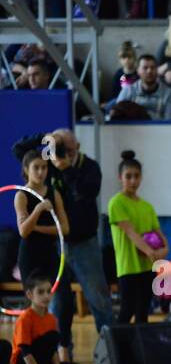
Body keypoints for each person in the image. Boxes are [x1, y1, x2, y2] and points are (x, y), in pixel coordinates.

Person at [11, 129, 115, 351]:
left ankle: (112, 350)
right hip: (53, 246)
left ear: (77, 146)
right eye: (59, 148)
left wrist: (67, 170)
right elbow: (18, 150)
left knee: (98, 299)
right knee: (59, 303)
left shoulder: (89, 167)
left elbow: (88, 192)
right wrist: (44, 138)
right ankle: (62, 352)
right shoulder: (47, 165)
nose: (62, 152)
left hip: (84, 243)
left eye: (67, 148)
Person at [107, 150, 168, 325]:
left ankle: (141, 350)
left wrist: (165, 249)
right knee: (127, 310)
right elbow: (130, 232)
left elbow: (158, 233)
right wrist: (150, 251)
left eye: (136, 176)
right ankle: (118, 350)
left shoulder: (147, 206)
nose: (133, 181)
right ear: (120, 178)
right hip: (128, 266)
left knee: (143, 311)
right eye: (128, 176)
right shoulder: (116, 203)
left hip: (147, 266)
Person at [9, 277, 91, 364]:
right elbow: (26, 354)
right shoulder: (25, 319)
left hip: (44, 363)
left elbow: (53, 350)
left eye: (49, 291)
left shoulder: (51, 319)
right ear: (30, 294)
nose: (46, 296)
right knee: (52, 336)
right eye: (41, 292)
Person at [14, 151, 69, 308]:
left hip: (50, 253)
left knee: (64, 298)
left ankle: (61, 333)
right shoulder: (21, 195)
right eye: (36, 167)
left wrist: (36, 228)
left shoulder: (54, 193)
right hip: (30, 255)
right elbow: (23, 231)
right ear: (26, 169)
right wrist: (38, 210)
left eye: (44, 167)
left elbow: (64, 229)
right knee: (35, 303)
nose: (41, 172)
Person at [116, 54, 171, 120]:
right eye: (145, 68)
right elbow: (118, 117)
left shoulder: (169, 93)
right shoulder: (128, 91)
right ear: (138, 71)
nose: (149, 71)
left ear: (157, 70)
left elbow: (170, 124)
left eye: (153, 68)